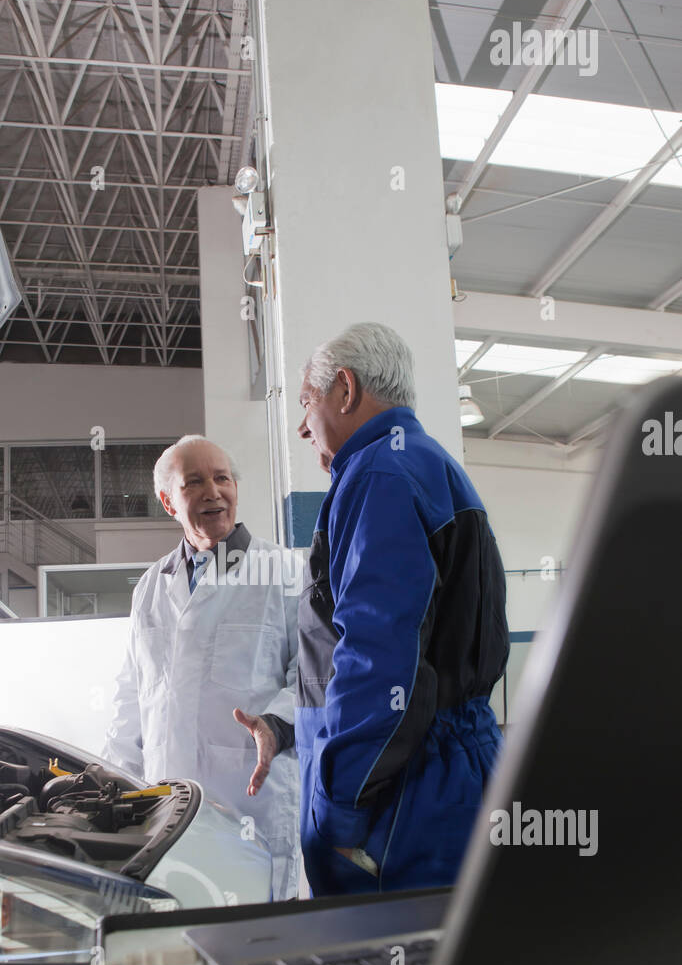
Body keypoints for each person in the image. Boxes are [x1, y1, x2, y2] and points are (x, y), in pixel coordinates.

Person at [295, 321, 509, 896]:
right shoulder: (427, 462)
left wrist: (338, 812)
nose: (301, 426)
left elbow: (378, 656)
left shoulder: (379, 474)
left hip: (403, 787)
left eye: (305, 403)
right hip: (453, 767)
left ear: (345, 389)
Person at [102, 435, 303, 900]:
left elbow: (316, 677)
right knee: (179, 931)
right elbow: (132, 694)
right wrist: (113, 780)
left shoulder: (283, 572)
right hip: (164, 806)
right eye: (195, 482)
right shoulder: (152, 585)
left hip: (249, 800)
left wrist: (276, 724)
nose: (214, 491)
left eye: (223, 478)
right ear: (168, 501)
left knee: (256, 935)